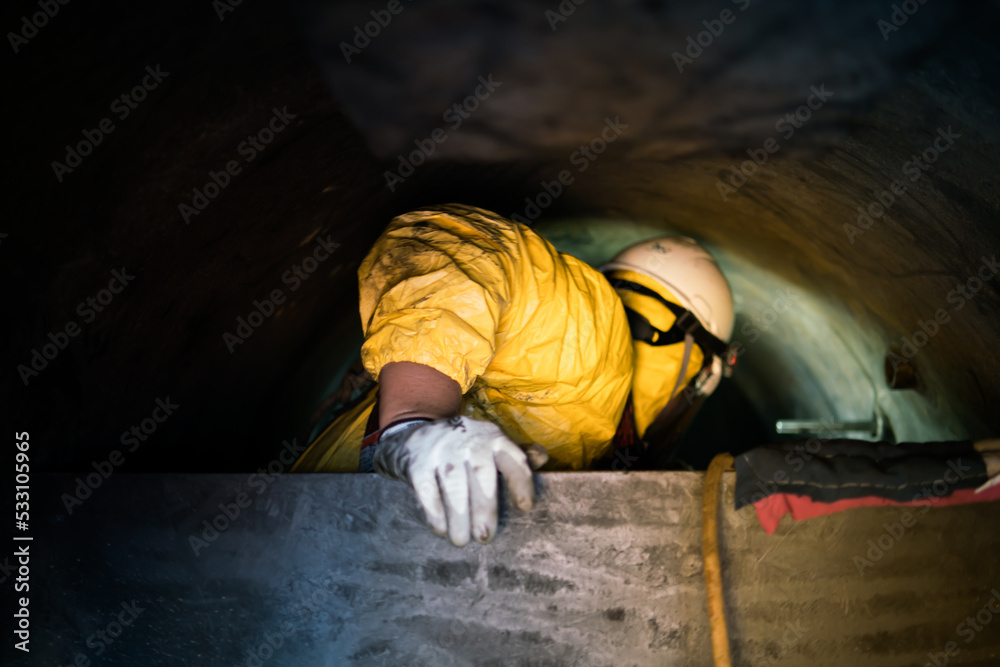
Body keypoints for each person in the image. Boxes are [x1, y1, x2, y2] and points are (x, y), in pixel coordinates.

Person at [293, 203, 736, 546]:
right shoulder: (595, 338)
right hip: (334, 554)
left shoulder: (602, 419)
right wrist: (414, 421)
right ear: (702, 373)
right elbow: (447, 240)